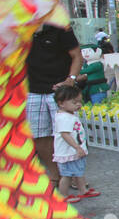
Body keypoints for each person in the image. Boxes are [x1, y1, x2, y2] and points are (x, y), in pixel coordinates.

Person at [26, 23, 83, 184]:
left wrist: (70, 80)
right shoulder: (19, 27)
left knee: (69, 133)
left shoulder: (59, 26)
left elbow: (77, 55)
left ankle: (75, 176)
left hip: (59, 91)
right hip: (32, 90)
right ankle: (55, 174)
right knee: (39, 136)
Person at [53, 84, 96, 203]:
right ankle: (63, 195)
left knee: (79, 171)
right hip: (68, 152)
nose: (78, 105)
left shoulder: (69, 114)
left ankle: (83, 190)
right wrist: (77, 147)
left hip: (75, 151)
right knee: (67, 175)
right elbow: (65, 134)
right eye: (74, 102)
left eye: (79, 102)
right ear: (61, 103)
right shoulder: (63, 118)